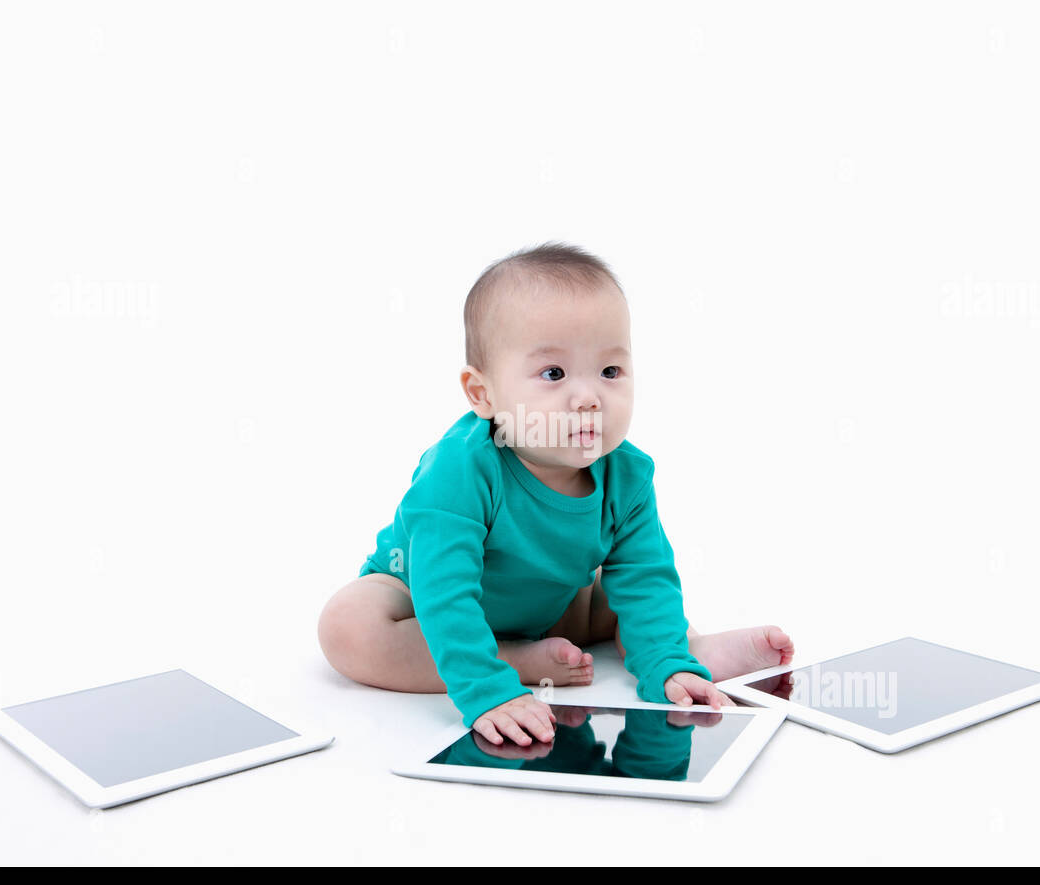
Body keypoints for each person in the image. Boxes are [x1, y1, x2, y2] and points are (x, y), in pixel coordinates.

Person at [317, 241, 794, 747]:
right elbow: (446, 591)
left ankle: (681, 653)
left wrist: (664, 658)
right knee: (348, 626)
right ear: (484, 395)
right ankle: (515, 660)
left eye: (610, 372)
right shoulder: (459, 469)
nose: (589, 397)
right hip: (420, 599)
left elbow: (646, 574)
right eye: (553, 374)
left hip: (551, 603)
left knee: (629, 593)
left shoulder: (626, 475)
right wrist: (487, 689)